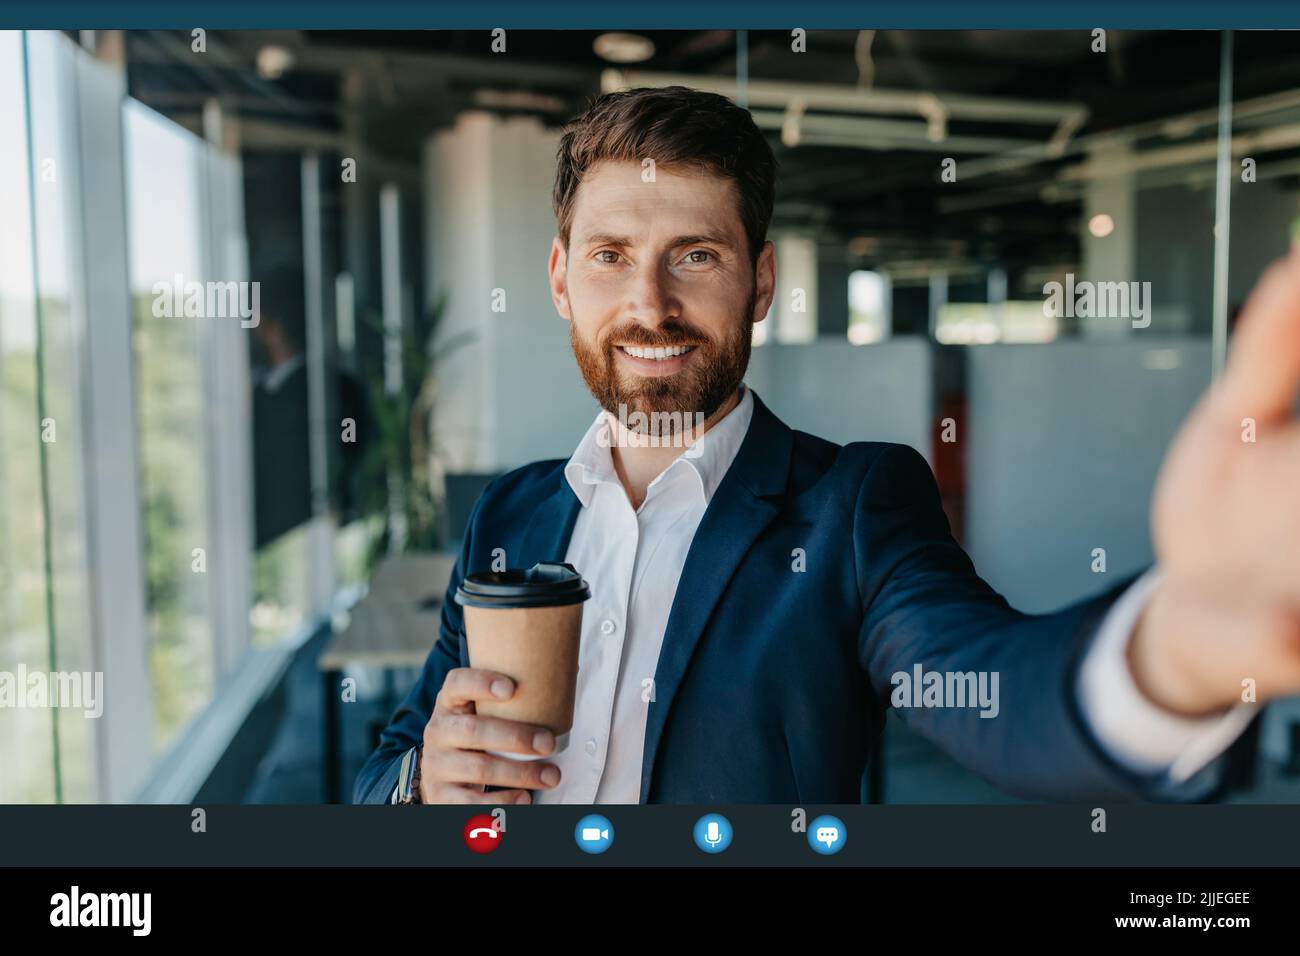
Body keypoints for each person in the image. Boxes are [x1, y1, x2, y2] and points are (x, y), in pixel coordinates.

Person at [356, 86, 1300, 805]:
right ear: (563, 278)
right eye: (611, 256)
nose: (649, 305)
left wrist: (1175, 647)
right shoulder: (510, 512)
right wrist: (420, 784)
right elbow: (387, 768)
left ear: (760, 282)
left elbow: (989, 685)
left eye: (696, 255)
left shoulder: (853, 506)